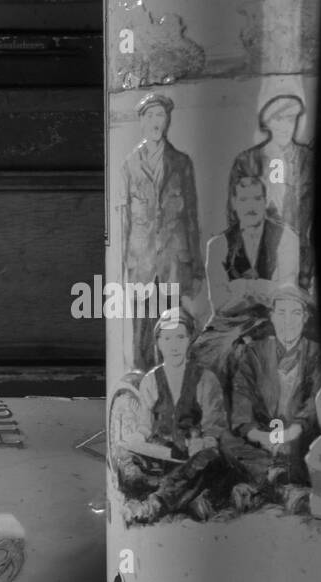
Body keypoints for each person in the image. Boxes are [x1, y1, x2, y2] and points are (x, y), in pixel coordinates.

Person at [117, 307, 230, 525]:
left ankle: (156, 503)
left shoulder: (205, 379)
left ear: (189, 339)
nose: (174, 345)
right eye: (167, 338)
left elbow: (214, 427)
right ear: (159, 342)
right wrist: (136, 440)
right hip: (162, 456)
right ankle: (189, 499)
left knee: (208, 460)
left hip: (193, 458)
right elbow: (144, 427)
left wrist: (203, 441)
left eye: (180, 337)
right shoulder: (151, 380)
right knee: (124, 457)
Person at [120, 93, 203, 373]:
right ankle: (140, 384)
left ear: (168, 120)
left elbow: (191, 218)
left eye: (161, 116)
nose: (157, 122)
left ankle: (171, 382)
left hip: (173, 261)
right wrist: (123, 268)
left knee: (171, 325)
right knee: (142, 329)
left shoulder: (182, 162)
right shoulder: (130, 164)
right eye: (151, 115)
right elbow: (125, 222)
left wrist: (197, 268)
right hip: (141, 261)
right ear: (141, 121)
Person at [226, 285, 321, 512]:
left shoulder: (316, 354)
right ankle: (280, 487)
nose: (288, 321)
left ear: (305, 317)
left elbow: (314, 404)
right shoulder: (254, 353)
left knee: (309, 447)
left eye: (295, 313)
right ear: (271, 317)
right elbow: (241, 401)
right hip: (262, 439)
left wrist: (290, 433)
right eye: (281, 313)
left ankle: (262, 487)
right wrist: (261, 436)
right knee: (226, 441)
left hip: (300, 437)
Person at [228, 94, 314, 291]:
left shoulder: (308, 160)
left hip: (300, 258)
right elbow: (234, 214)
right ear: (267, 124)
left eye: (290, 119)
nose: (285, 126)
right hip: (257, 256)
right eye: (279, 120)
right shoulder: (247, 161)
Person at [204, 174, 300, 328]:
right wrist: (264, 288)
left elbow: (284, 297)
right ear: (234, 203)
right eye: (243, 200)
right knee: (201, 350)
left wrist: (242, 286)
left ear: (266, 201)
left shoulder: (286, 238)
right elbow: (220, 306)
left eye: (257, 199)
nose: (251, 207)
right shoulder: (217, 245)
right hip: (230, 326)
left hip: (276, 326)